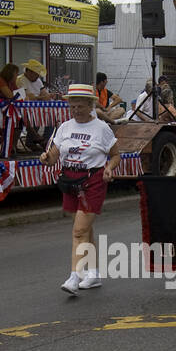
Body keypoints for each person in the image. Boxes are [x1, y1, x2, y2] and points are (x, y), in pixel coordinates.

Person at [40, 83, 120, 293]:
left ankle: (74, 277)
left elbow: (116, 155)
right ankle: (93, 274)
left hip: (92, 181)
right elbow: (54, 156)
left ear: (90, 105)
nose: (75, 110)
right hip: (70, 180)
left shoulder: (101, 128)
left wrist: (109, 168)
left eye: (80, 106)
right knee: (86, 229)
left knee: (78, 231)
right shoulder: (65, 127)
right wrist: (46, 158)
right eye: (72, 106)